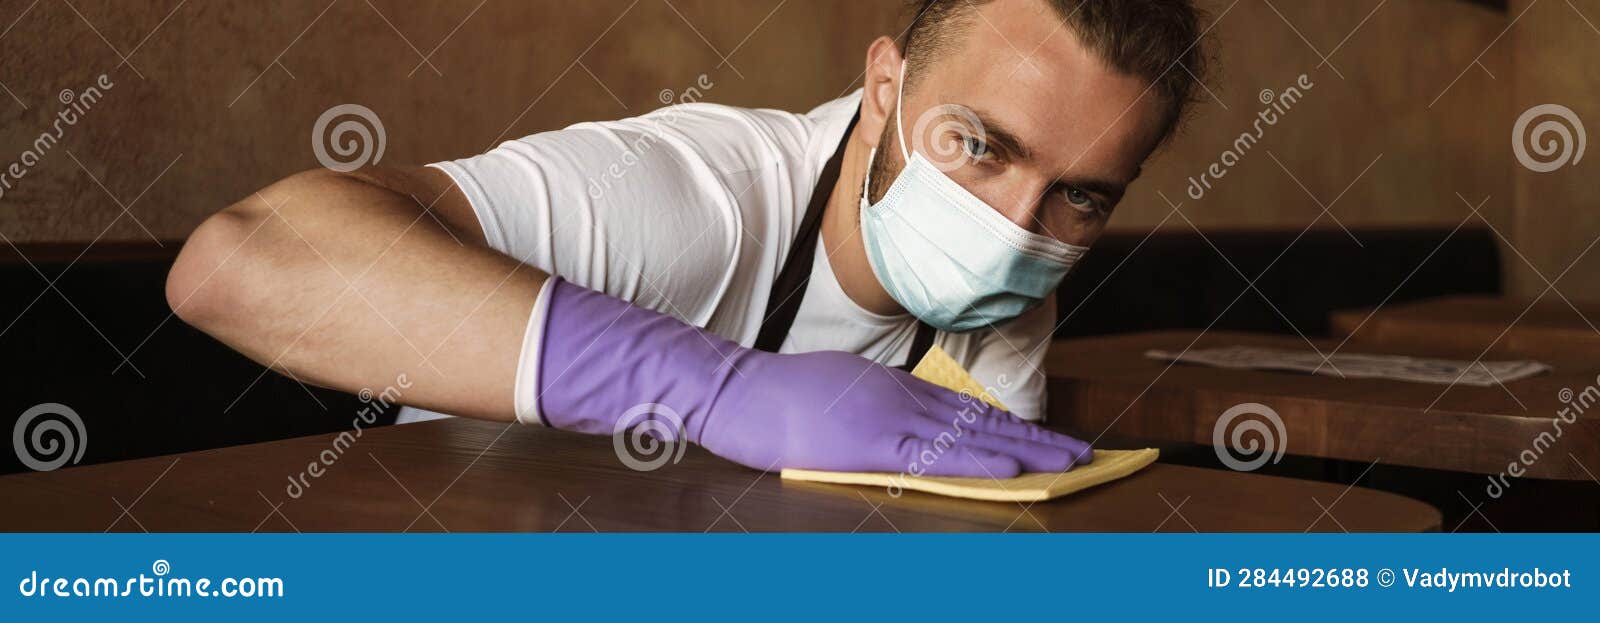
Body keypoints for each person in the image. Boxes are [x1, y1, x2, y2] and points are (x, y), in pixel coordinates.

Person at [166, 0, 1209, 479]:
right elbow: (238, 261)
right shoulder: (681, 193)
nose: (1010, 230)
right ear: (885, 88)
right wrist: (719, 390)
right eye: (977, 144)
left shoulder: (1014, 290)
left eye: (1080, 196)